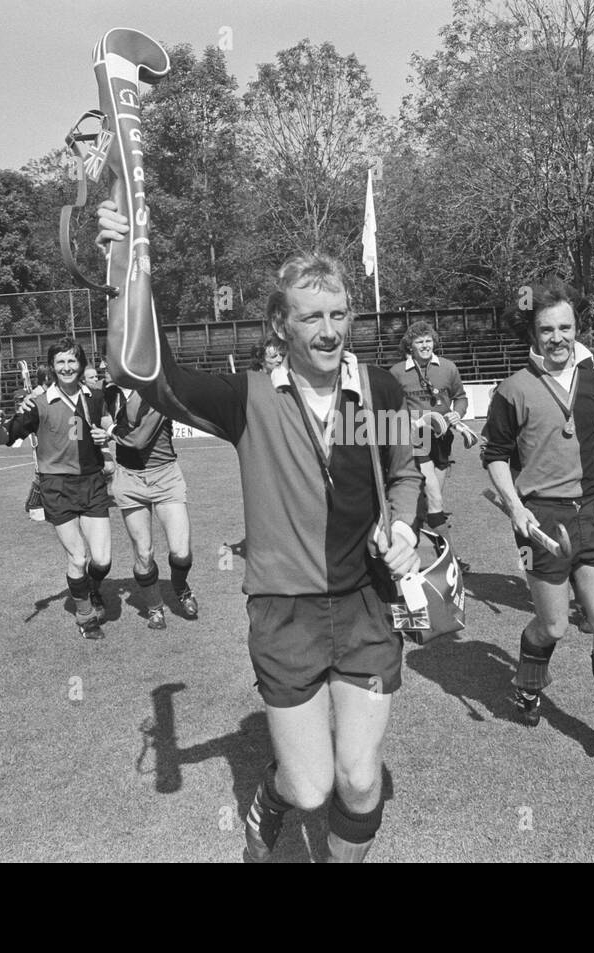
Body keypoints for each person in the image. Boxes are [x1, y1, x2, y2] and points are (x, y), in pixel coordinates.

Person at [99, 201, 422, 863]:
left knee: (361, 779)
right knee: (311, 787)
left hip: (365, 604)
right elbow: (140, 370)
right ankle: (273, 792)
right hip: (285, 613)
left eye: (338, 315)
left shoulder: (379, 390)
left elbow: (405, 472)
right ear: (282, 324)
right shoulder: (249, 399)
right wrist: (125, 263)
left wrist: (407, 527)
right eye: (312, 317)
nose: (329, 331)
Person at [481, 275, 594, 780]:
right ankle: (530, 682)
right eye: (547, 329)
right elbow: (493, 456)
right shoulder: (512, 389)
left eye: (566, 327)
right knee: (553, 625)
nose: (557, 337)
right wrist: (517, 509)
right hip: (542, 520)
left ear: (576, 327)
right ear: (533, 334)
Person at [0, 338, 113, 639]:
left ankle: (91, 589)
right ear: (53, 367)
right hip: (57, 485)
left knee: (103, 559)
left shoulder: (94, 396)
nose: (67, 367)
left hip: (93, 481)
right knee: (78, 558)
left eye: (72, 361)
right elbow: (6, 437)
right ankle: (85, 617)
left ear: (80, 365)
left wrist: (104, 436)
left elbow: (104, 426)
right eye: (61, 362)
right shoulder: (38, 403)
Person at [103, 371, 198, 629]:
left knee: (181, 552)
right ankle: (155, 607)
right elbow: (77, 425)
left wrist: (109, 429)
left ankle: (180, 586)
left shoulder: (156, 392)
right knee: (143, 553)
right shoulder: (105, 394)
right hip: (129, 479)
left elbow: (138, 439)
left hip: (165, 476)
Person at [389, 320, 470, 570]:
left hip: (444, 441)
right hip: (417, 441)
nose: (425, 345)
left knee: (427, 504)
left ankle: (417, 550)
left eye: (428, 340)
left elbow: (461, 397)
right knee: (435, 499)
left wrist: (458, 413)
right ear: (409, 346)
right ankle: (451, 560)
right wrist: (406, 421)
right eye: (419, 341)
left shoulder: (448, 367)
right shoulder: (397, 372)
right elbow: (389, 407)